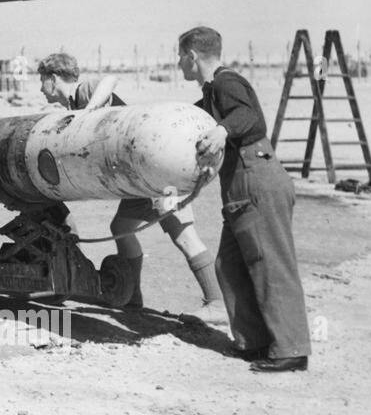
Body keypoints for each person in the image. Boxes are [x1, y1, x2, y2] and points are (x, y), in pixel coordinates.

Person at [38, 51, 226, 320]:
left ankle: (216, 302)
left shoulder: (85, 92)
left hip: (153, 172)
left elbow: (110, 80)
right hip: (136, 177)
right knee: (121, 228)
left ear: (53, 78)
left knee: (183, 235)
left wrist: (88, 112)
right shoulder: (73, 105)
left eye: (42, 80)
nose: (41, 89)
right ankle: (132, 297)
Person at [180, 26, 311, 372]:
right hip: (241, 188)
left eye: (180, 57)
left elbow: (248, 117)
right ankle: (254, 342)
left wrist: (222, 131)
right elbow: (182, 119)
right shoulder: (211, 93)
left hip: (256, 181)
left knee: (270, 263)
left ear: (192, 56)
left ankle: (290, 349)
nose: (179, 64)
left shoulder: (226, 83)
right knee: (230, 265)